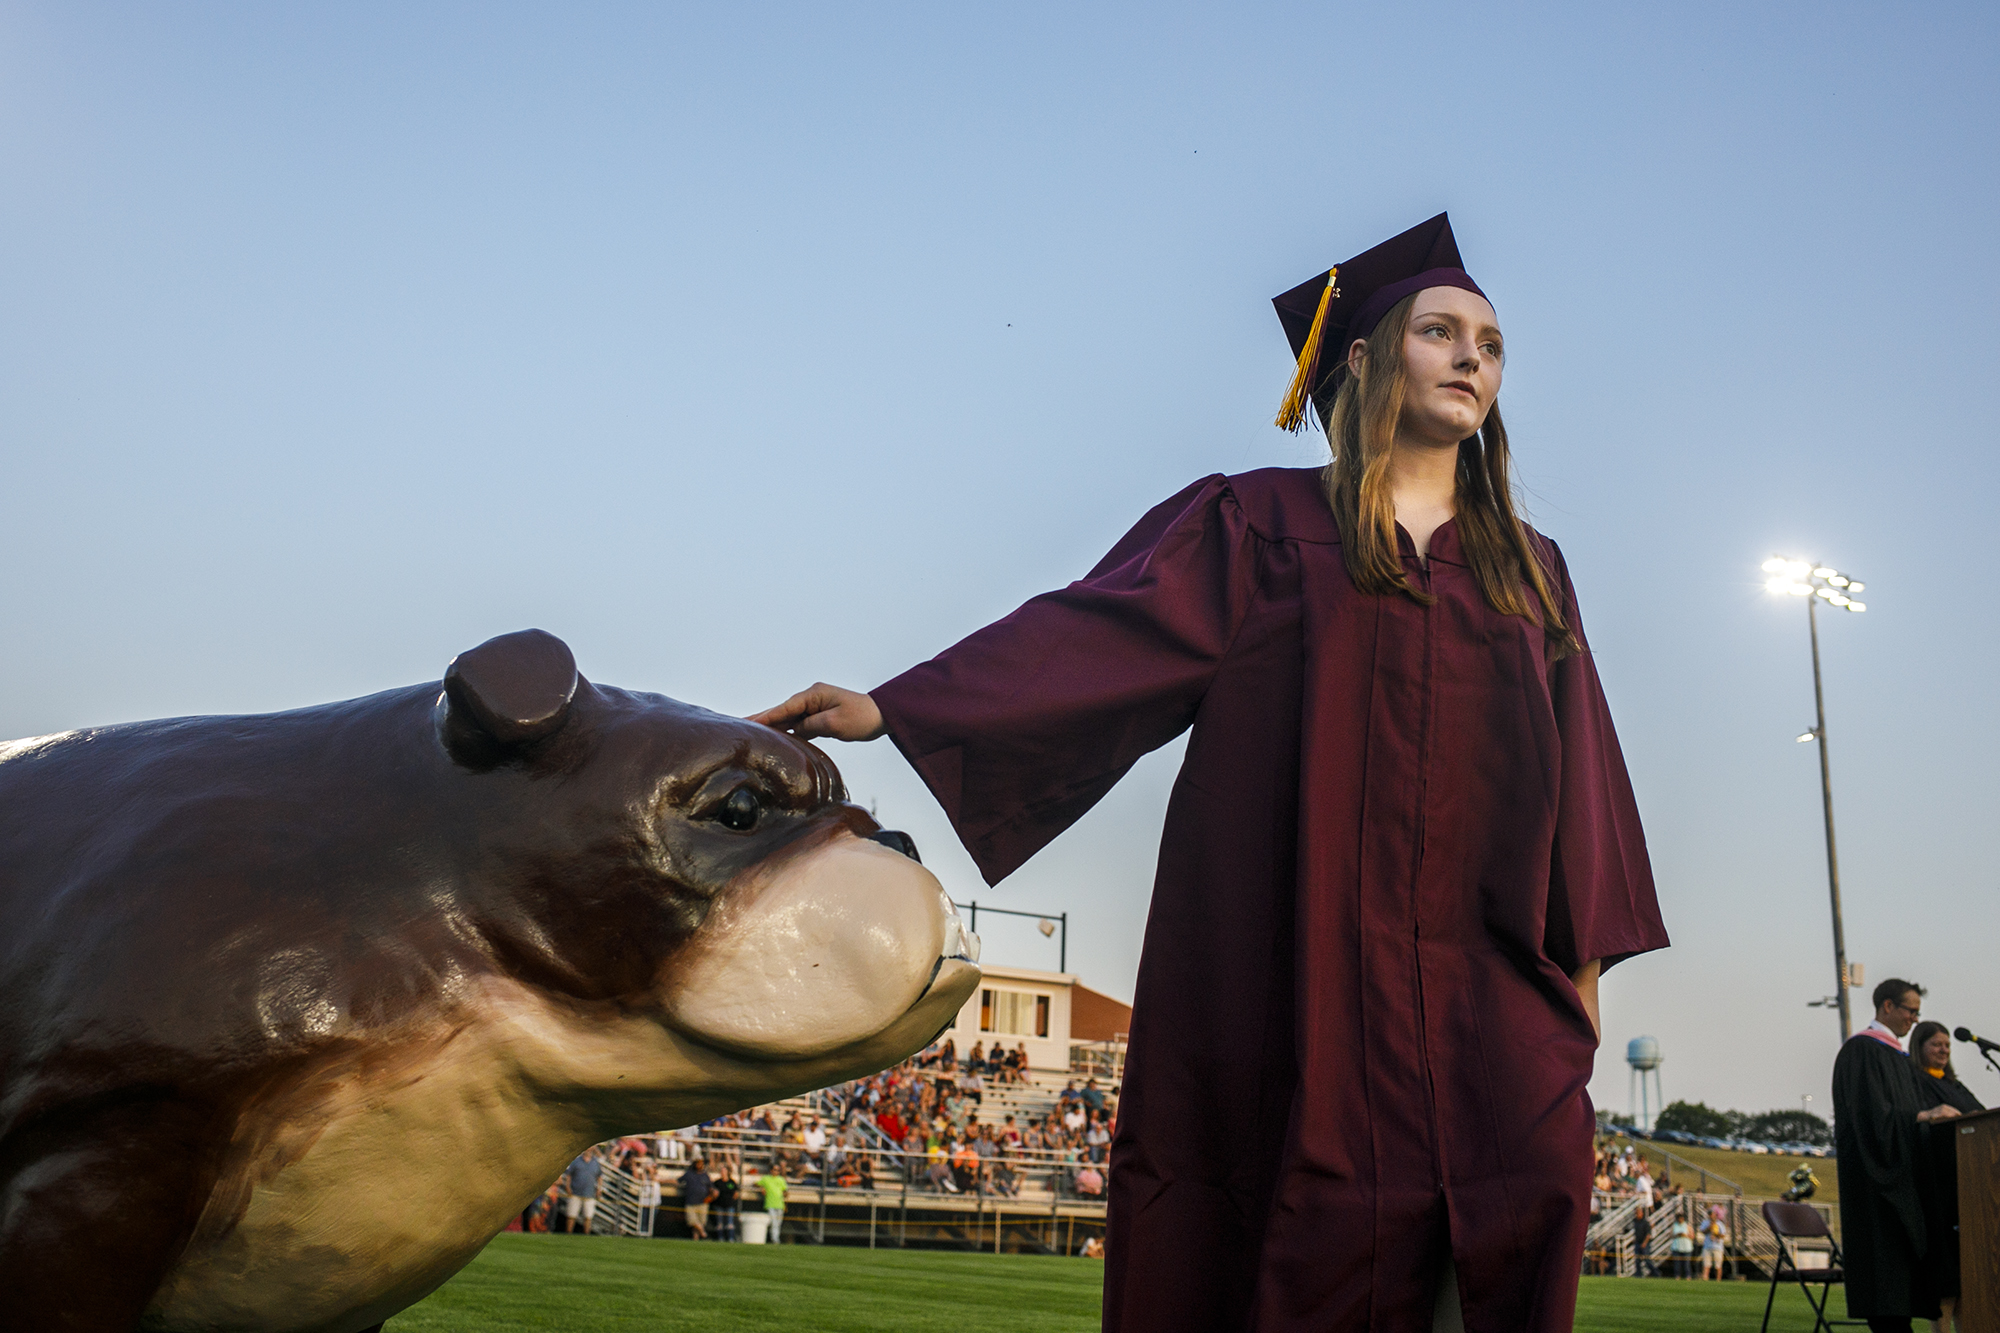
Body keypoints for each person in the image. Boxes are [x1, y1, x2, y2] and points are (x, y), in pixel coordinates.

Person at [751, 211, 1667, 1332]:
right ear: (1364, 358)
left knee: (1503, 1232)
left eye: (1489, 343)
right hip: (1297, 987)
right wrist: (899, 705)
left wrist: (1573, 1003)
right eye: (1439, 331)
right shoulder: (1259, 524)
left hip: (1490, 1011)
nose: (1473, 356)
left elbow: (1588, 798)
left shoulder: (1531, 573)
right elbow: (1100, 634)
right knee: (1282, 1232)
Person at [1834, 978, 1960, 1331]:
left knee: (1901, 1291)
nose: (1915, 1020)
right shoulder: (1862, 1051)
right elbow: (1870, 1118)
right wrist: (1922, 1115)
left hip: (1903, 1181)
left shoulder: (1898, 1058)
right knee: (1886, 1290)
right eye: (1911, 1011)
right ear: (1887, 1006)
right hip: (1877, 1187)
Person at [1910, 1020, 1984, 1333]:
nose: (1943, 1050)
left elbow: (1981, 1118)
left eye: (1947, 1046)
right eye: (1936, 1045)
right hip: (1939, 1189)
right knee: (1947, 1277)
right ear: (1920, 1048)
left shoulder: (1955, 1086)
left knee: (1971, 1278)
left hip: (1970, 1188)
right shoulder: (1913, 1083)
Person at [563, 1150, 603, 1235]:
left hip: (589, 1193)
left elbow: (600, 1177)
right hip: (575, 1192)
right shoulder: (576, 1161)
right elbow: (569, 1174)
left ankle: (586, 1235)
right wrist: (568, 1186)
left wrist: (599, 1189)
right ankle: (568, 1233)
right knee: (571, 1215)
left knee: (588, 1216)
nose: (588, 1151)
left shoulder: (595, 1163)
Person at [680, 1157, 715, 1240]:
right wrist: (663, 1180)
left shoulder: (705, 1176)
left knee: (701, 1222)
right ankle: (703, 1233)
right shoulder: (689, 1174)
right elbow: (678, 1181)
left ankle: (695, 1238)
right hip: (691, 1202)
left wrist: (711, 1196)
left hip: (702, 1202)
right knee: (692, 1221)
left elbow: (711, 1189)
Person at [757, 1165, 788, 1242]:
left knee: (778, 1224)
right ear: (771, 1170)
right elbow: (756, 1184)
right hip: (770, 1203)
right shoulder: (766, 1178)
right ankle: (775, 1239)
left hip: (780, 1204)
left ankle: (775, 1237)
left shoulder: (781, 1180)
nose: (776, 1172)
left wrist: (785, 1195)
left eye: (778, 1170)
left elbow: (785, 1191)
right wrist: (762, 1188)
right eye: (775, 1170)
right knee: (774, 1223)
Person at [1699, 1206, 1728, 1281]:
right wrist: (1709, 1227)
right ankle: (1705, 1278)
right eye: (1709, 1214)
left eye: (1712, 1214)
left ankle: (1718, 1279)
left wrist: (1716, 1234)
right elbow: (1703, 1231)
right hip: (1707, 1246)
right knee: (1706, 1265)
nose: (1711, 1216)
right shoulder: (1705, 1222)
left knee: (1718, 1266)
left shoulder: (1719, 1224)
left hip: (1717, 1247)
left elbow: (1723, 1235)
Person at [1668, 1214, 1695, 1279]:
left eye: (1681, 1218)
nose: (1679, 1220)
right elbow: (1670, 1235)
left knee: (1686, 1263)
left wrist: (1685, 1235)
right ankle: (1677, 1276)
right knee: (1677, 1263)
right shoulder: (1675, 1226)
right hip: (1677, 1247)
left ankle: (1688, 1276)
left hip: (1686, 1247)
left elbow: (1692, 1236)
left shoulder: (1687, 1226)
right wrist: (1677, 1235)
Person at [1632, 1206, 1655, 1277]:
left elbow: (1648, 1234)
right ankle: (1638, 1274)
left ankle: (1656, 1273)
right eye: (1636, 1213)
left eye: (1638, 1212)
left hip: (1645, 1243)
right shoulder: (1635, 1221)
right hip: (1637, 1243)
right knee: (1637, 1260)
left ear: (1642, 1213)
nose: (1637, 1214)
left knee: (1647, 1259)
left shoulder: (1645, 1222)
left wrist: (1644, 1243)